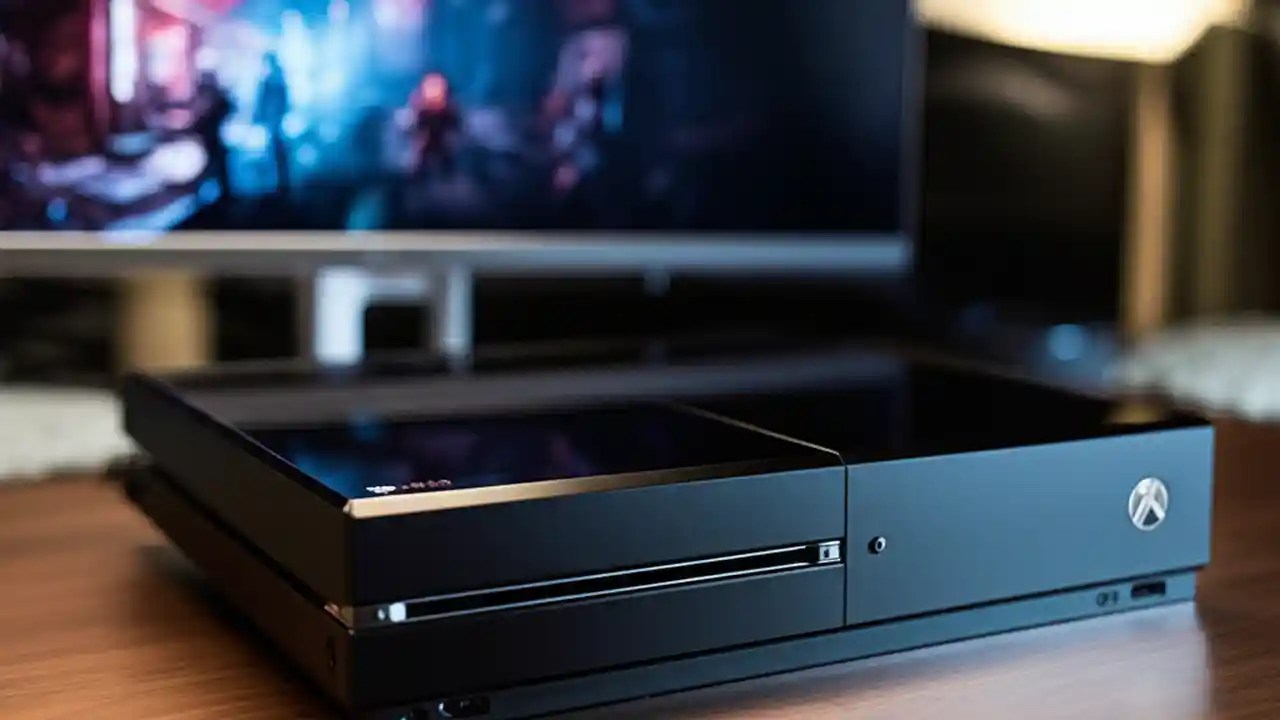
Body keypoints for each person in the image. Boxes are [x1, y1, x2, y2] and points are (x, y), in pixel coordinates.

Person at [193, 71, 235, 206]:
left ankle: (221, 195)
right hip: (210, 143)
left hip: (214, 143)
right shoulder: (213, 97)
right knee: (212, 169)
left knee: (217, 168)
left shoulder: (218, 99)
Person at [411, 72, 461, 181]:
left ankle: (447, 179)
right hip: (427, 142)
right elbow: (416, 127)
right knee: (422, 164)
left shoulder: (450, 111)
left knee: (446, 162)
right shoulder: (422, 112)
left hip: (443, 143)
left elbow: (455, 126)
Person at [254, 53, 291, 193]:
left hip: (274, 121)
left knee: (276, 150)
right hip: (273, 121)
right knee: (275, 150)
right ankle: (279, 182)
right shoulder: (272, 80)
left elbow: (277, 101)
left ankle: (280, 183)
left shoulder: (273, 81)